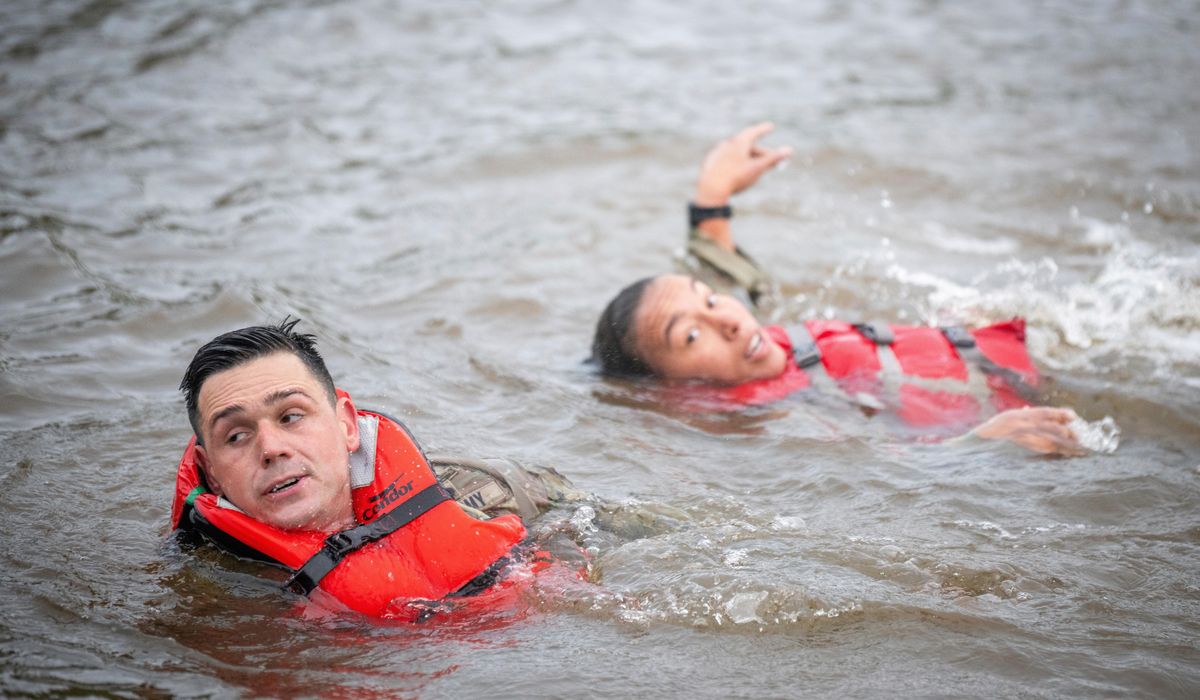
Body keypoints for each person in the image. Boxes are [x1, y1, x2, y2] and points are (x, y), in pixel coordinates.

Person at [592, 123, 1093, 456]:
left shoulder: (763, 339)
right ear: (672, 394)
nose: (726, 318)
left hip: (1039, 346)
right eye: (691, 338)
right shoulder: (790, 418)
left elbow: (722, 277)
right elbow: (892, 473)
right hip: (1044, 413)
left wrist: (713, 193)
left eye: (709, 299)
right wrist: (983, 444)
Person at [171, 318, 610, 621]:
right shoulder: (204, 588)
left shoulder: (489, 490)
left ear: (346, 424)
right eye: (236, 436)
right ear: (211, 470)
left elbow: (617, 525)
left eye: (291, 417)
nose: (270, 448)